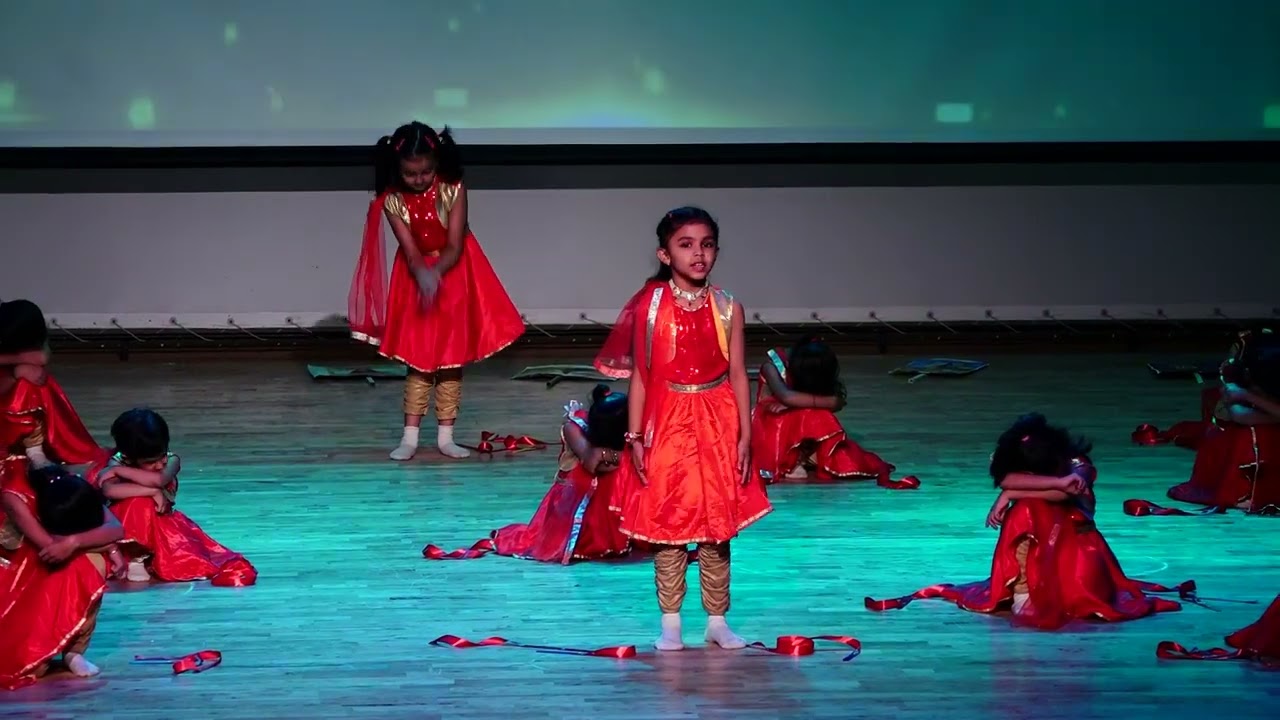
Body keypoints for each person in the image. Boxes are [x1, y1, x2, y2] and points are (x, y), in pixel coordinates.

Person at [594, 206, 772, 651]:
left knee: (717, 524)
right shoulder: (649, 307)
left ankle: (717, 619)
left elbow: (736, 374)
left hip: (717, 417)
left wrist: (745, 434)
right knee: (668, 522)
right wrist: (634, 436)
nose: (699, 254)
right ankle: (670, 622)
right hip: (668, 418)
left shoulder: (728, 307)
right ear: (665, 253)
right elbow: (640, 376)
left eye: (707, 244)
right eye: (686, 244)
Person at [865, 414, 1184, 630]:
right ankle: (1023, 589)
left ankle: (1036, 593)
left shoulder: (1078, 466)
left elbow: (1060, 496)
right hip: (1044, 540)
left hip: (1077, 551)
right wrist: (1010, 492)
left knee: (1028, 508)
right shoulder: (1032, 475)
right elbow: (1011, 480)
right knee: (1026, 510)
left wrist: (1016, 493)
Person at [348, 121, 525, 461]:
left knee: (449, 359)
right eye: (411, 174)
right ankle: (410, 437)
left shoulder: (453, 188)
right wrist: (423, 277)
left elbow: (455, 245)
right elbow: (411, 251)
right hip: (415, 276)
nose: (420, 179)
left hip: (455, 273)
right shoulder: (392, 200)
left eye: (426, 171)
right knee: (418, 359)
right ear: (396, 170)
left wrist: (438, 275)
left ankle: (446, 435)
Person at [90, 408, 257, 586]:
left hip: (163, 523)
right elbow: (110, 491)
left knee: (147, 508)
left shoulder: (171, 460)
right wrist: (150, 492)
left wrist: (118, 471)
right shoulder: (118, 460)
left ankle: (145, 557)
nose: (160, 463)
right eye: (150, 461)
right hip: (126, 522)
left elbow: (159, 480)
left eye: (161, 455)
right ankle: (134, 558)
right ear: (129, 457)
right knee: (138, 503)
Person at [0, 464, 124, 689]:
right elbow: (51, 550)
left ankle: (74, 650)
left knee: (92, 565)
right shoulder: (15, 499)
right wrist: (108, 546)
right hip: (12, 572)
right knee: (31, 665)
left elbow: (115, 527)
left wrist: (75, 542)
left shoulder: (69, 486)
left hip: (51, 553)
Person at [753, 335, 915, 487]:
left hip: (799, 418)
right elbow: (787, 397)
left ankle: (803, 457)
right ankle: (791, 462)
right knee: (802, 413)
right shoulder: (772, 366)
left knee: (817, 414)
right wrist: (799, 403)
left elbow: (835, 402)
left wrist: (801, 403)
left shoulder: (810, 392)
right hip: (768, 422)